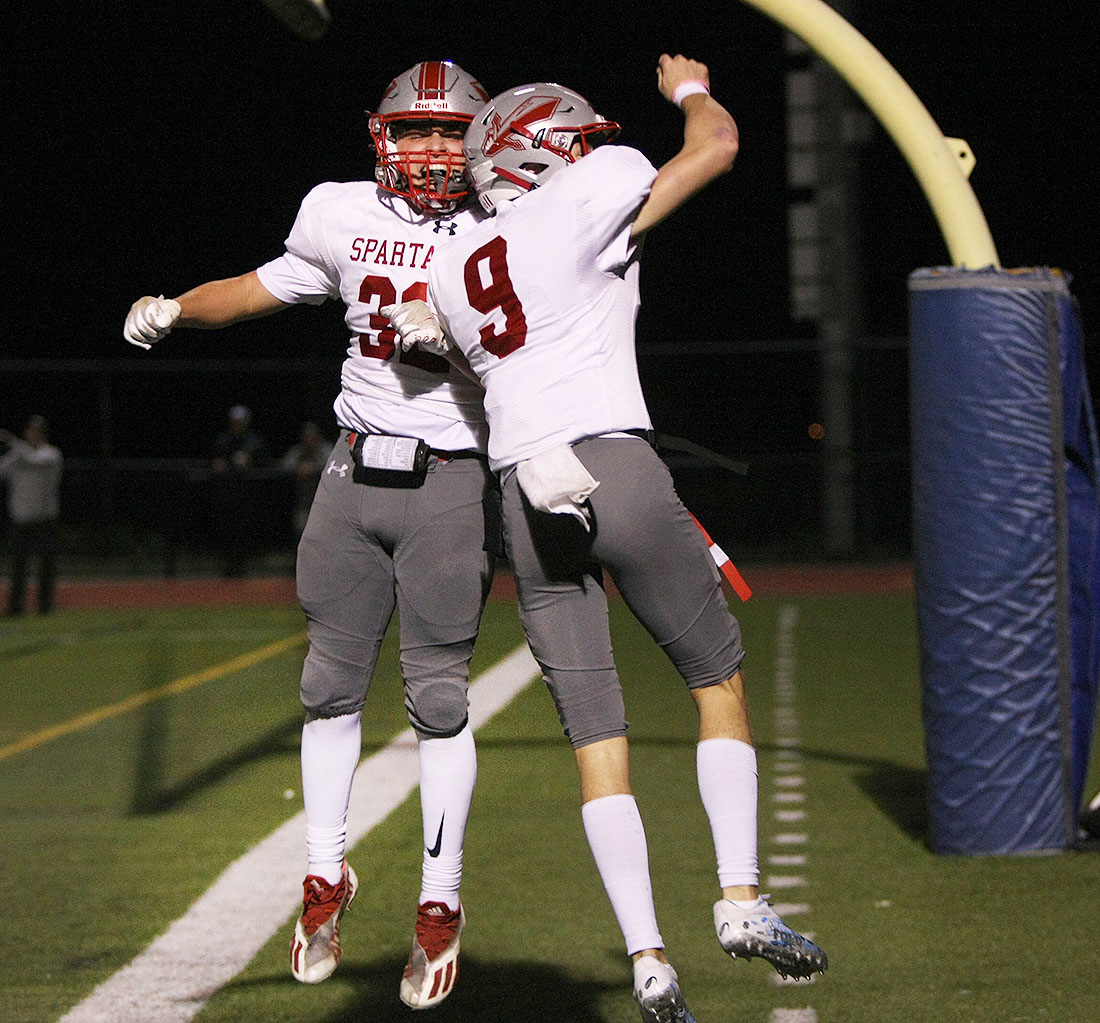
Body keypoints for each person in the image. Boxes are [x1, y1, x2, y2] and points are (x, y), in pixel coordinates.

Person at [389, 55, 828, 1021]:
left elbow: (478, 364)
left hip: (522, 489)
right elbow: (716, 147)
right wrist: (691, 91)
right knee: (715, 678)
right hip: (610, 460)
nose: (589, 149)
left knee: (596, 734)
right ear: (548, 149)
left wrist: (447, 337)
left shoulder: (455, 266)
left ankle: (648, 957)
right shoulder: (594, 185)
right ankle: (740, 897)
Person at [123, 61, 496, 1009]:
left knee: (439, 698)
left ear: (484, 137)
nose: (432, 147)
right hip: (351, 471)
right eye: (414, 130)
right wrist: (177, 307)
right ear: (382, 135)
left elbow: (549, 345)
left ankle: (440, 901)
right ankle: (326, 876)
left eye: (450, 130)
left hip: (452, 474)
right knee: (327, 688)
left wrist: (457, 337)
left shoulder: (513, 219)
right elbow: (261, 287)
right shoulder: (338, 210)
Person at [0, 415, 63, 617]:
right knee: (19, 565)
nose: (33, 434)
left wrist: (11, 441)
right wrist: (13, 449)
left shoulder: (51, 454)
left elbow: (32, 461)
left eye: (37, 431)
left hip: (45, 518)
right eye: (30, 430)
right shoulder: (17, 455)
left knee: (46, 564)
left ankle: (45, 606)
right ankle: (16, 606)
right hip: (21, 519)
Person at [210, 404, 271, 576]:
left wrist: (250, 461)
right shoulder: (223, 440)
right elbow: (217, 462)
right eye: (235, 421)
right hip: (227, 495)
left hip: (248, 495)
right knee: (226, 530)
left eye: (241, 421)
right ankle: (228, 566)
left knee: (245, 530)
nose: (238, 424)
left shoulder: (254, 441)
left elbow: (264, 462)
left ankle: (243, 566)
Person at [280, 421, 330, 535]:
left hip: (325, 500)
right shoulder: (298, 451)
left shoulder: (325, 450)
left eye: (312, 437)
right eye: (306, 437)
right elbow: (285, 464)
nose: (309, 440)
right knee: (301, 526)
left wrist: (314, 468)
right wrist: (298, 468)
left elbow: (332, 465)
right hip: (303, 500)